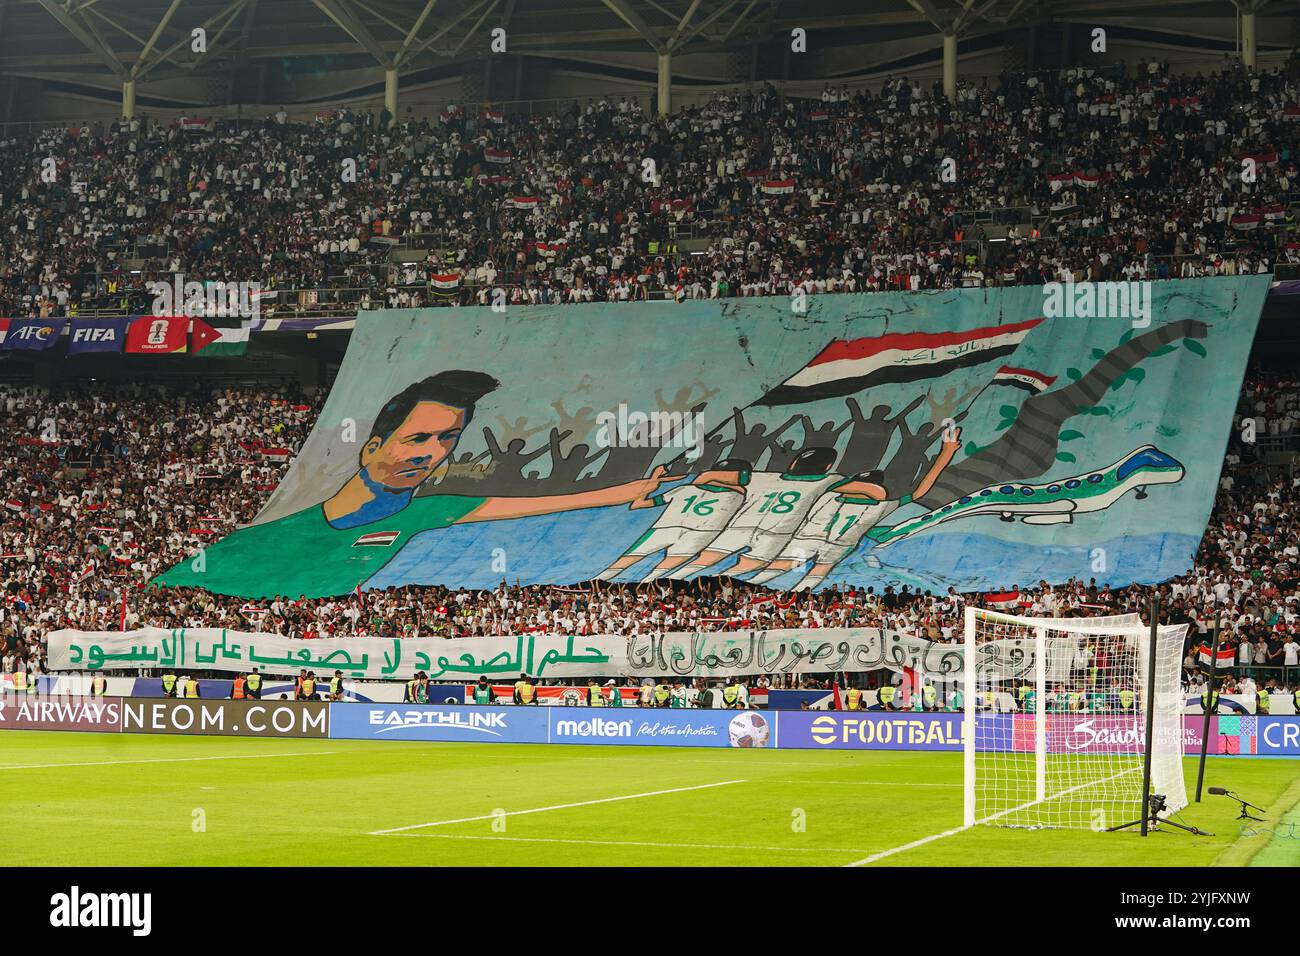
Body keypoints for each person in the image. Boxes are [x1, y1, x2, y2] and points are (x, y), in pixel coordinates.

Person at [153, 372, 671, 598]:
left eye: (448, 439)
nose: (432, 452)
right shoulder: (256, 541)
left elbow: (528, 503)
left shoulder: (424, 512)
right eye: (418, 437)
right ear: (372, 447)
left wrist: (629, 491)